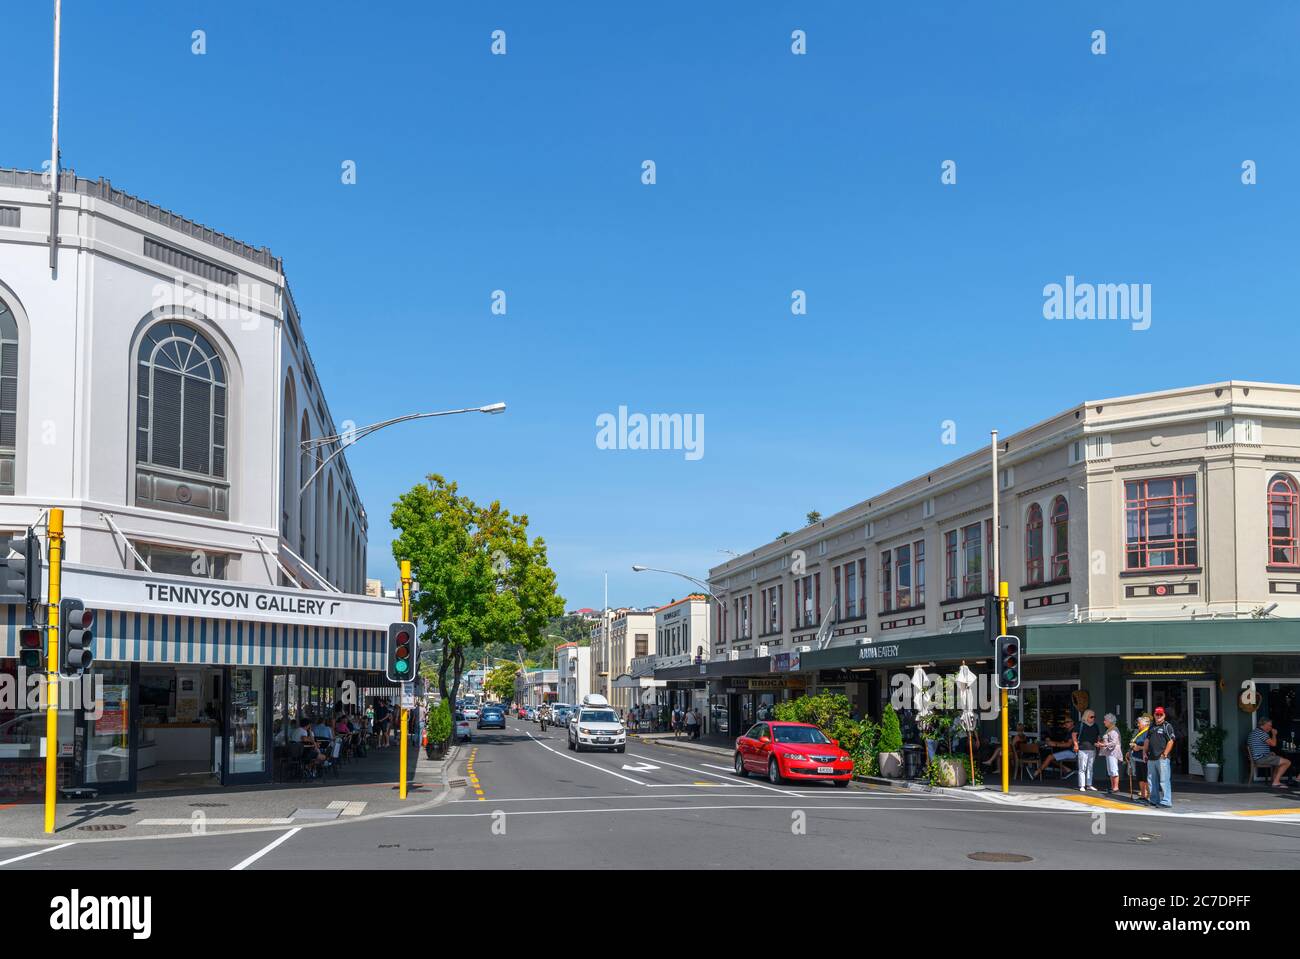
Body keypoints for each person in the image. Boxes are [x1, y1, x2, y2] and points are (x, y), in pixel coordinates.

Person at [1247, 717, 1293, 788]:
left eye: (1271, 726)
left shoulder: (1254, 732)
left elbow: (1258, 746)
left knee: (1280, 760)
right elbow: (1273, 744)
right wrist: (1274, 734)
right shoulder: (1262, 733)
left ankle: (1275, 780)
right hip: (1261, 758)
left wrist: (1269, 753)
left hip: (1259, 757)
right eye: (1269, 725)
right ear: (1262, 725)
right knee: (1287, 762)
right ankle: (1276, 782)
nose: (1270, 727)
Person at [1147, 706, 1176, 808]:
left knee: (1164, 780)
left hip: (1162, 758)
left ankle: (1166, 801)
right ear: (1154, 715)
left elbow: (1171, 740)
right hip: (1151, 758)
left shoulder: (1167, 726)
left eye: (1160, 714)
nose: (1158, 716)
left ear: (1164, 715)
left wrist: (1165, 754)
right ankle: (1154, 800)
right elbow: (1147, 740)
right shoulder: (1151, 726)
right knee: (1151, 780)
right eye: (1157, 714)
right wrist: (1144, 752)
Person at [1073, 709, 1102, 792]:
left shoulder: (1095, 725)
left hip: (1092, 749)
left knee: (1090, 767)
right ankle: (1082, 785)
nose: (1093, 718)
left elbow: (1098, 736)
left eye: (1094, 717)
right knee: (1082, 768)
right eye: (1091, 717)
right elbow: (1074, 734)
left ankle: (1089, 785)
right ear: (1086, 716)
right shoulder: (1080, 724)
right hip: (1082, 749)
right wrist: (1076, 745)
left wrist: (1098, 743)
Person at [1129, 714, 1151, 801]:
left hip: (1145, 758)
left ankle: (1148, 795)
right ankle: (1143, 795)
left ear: (1145, 724)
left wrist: (1139, 747)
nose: (1138, 725)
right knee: (1140, 777)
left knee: (1146, 777)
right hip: (1137, 758)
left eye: (1139, 723)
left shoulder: (1148, 732)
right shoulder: (1139, 732)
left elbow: (1150, 746)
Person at [1100, 713, 1122, 794]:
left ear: (1110, 721)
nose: (1104, 722)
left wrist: (1103, 744)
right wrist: (1101, 743)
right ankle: (1113, 787)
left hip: (1113, 753)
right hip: (1109, 752)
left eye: (1105, 720)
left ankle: (1116, 788)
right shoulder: (1109, 729)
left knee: (1114, 770)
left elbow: (1114, 742)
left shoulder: (1114, 730)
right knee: (1110, 770)